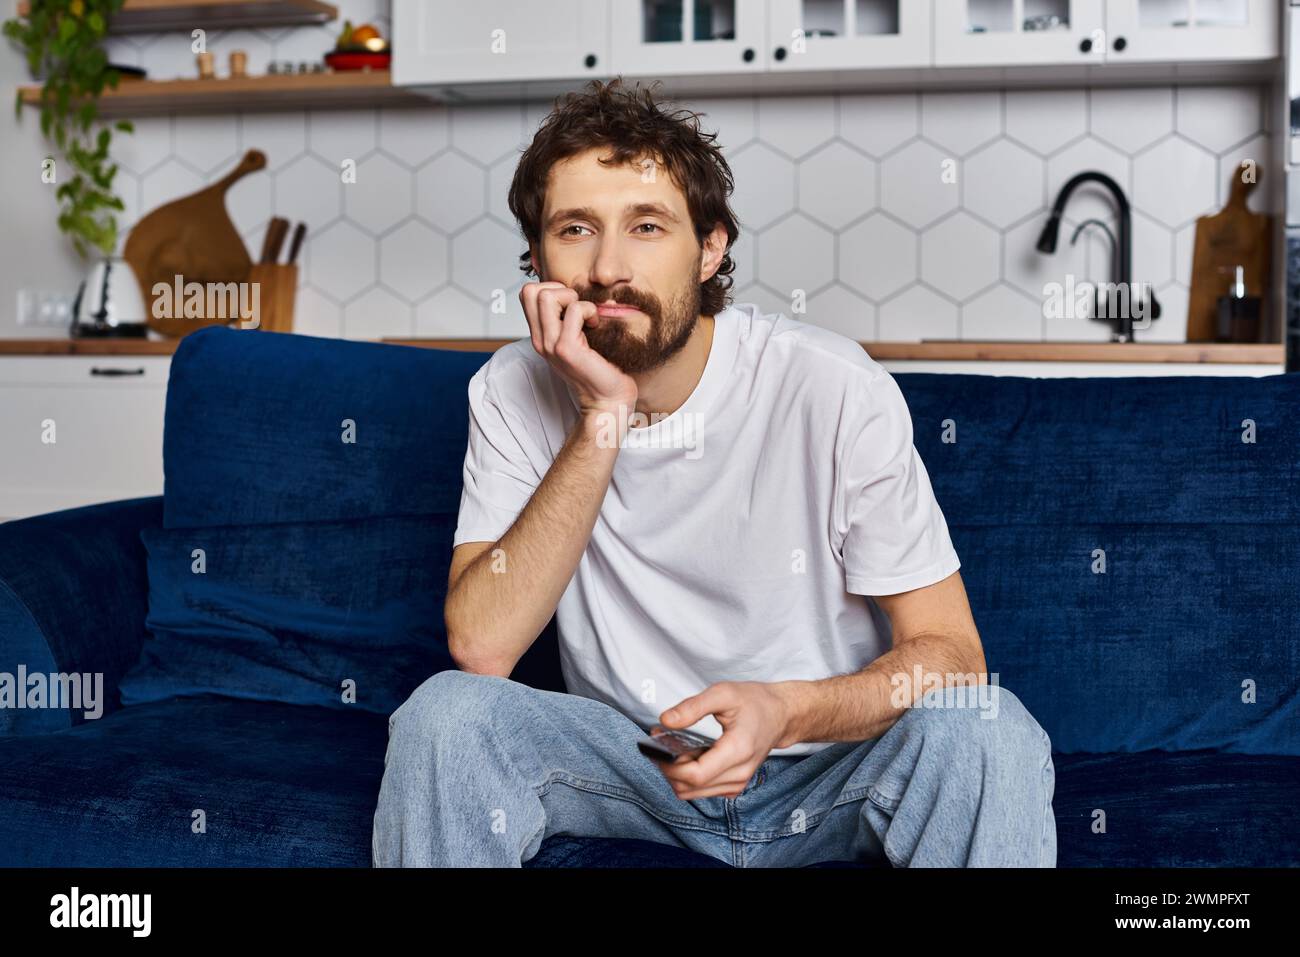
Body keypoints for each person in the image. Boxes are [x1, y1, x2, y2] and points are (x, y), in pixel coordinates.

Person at [372, 77, 1056, 868]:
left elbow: (950, 655)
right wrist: (604, 412)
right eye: (575, 228)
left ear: (710, 248)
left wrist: (787, 711)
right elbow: (483, 647)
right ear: (537, 260)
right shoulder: (511, 387)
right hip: (635, 764)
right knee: (445, 716)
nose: (607, 267)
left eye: (648, 226)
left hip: (824, 766)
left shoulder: (832, 386)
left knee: (987, 725)